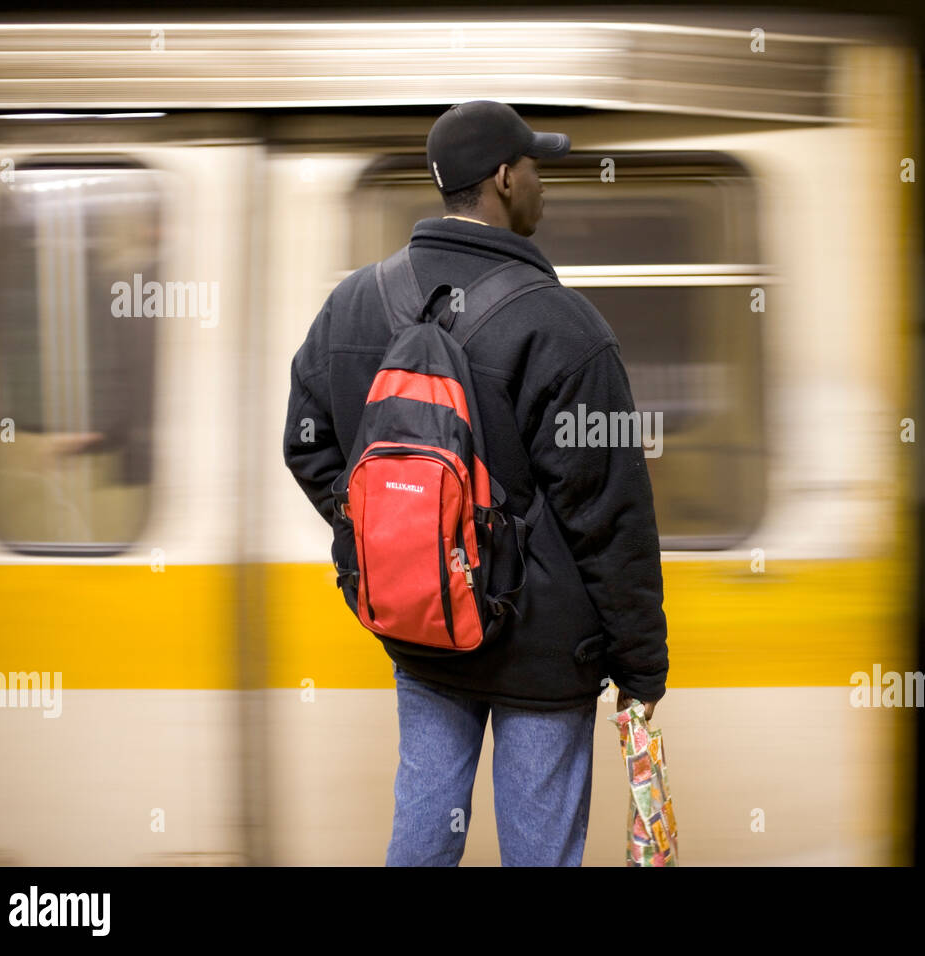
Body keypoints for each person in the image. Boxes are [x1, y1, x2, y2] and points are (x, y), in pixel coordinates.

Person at [282, 100, 668, 866]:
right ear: (502, 179)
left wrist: (388, 536)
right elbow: (609, 512)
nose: (541, 185)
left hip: (424, 629)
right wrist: (640, 662)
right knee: (540, 850)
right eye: (534, 168)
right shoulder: (568, 328)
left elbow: (307, 441)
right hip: (546, 653)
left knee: (423, 834)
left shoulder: (352, 305)